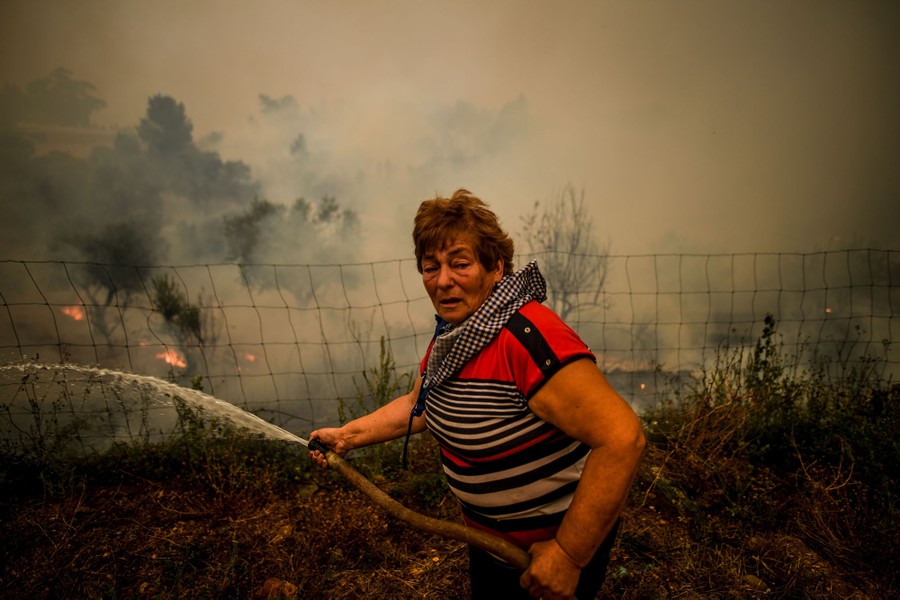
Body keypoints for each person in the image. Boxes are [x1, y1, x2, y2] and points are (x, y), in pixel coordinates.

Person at [309, 189, 645, 599]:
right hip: (491, 548)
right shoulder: (455, 336)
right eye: (431, 267)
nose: (443, 280)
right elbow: (421, 405)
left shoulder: (526, 338)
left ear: (496, 267)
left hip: (548, 557)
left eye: (460, 264)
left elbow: (622, 437)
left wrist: (569, 555)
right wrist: (347, 436)